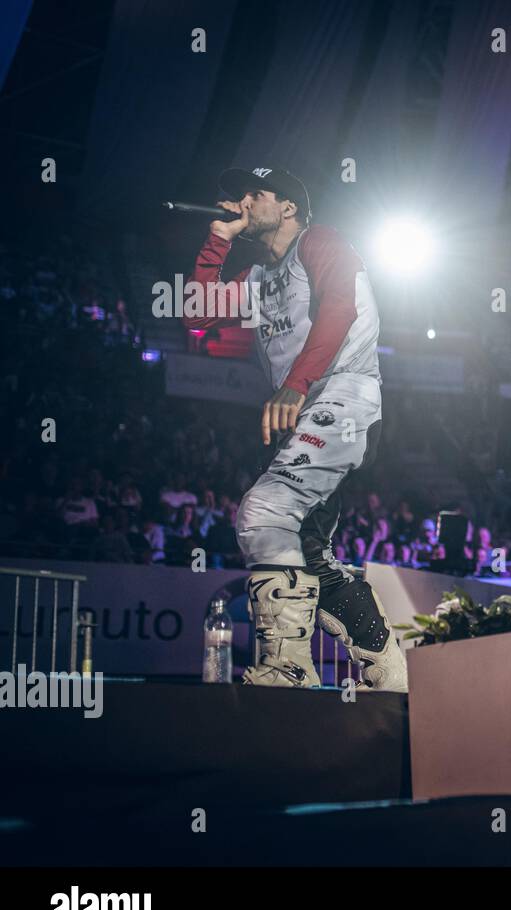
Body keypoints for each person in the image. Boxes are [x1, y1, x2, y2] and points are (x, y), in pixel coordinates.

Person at [182, 165, 405, 691]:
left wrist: (296, 383)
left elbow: (341, 307)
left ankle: (289, 668)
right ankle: (390, 672)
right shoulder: (258, 277)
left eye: (254, 193)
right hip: (308, 412)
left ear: (287, 207)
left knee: (264, 512)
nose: (241, 201)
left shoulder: (320, 241)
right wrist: (217, 241)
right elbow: (196, 313)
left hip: (344, 396)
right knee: (306, 552)